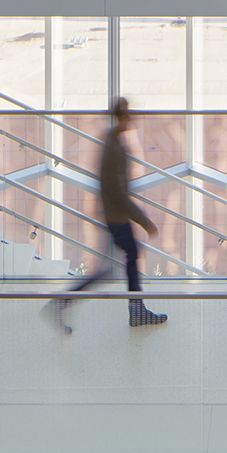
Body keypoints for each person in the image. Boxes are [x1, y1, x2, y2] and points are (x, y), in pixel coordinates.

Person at [55, 96, 166, 330]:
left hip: (112, 214)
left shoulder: (111, 140)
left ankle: (135, 310)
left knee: (120, 262)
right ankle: (135, 312)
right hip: (116, 216)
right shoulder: (116, 147)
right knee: (121, 261)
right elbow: (118, 192)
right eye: (128, 114)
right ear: (123, 116)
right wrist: (144, 221)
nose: (131, 118)